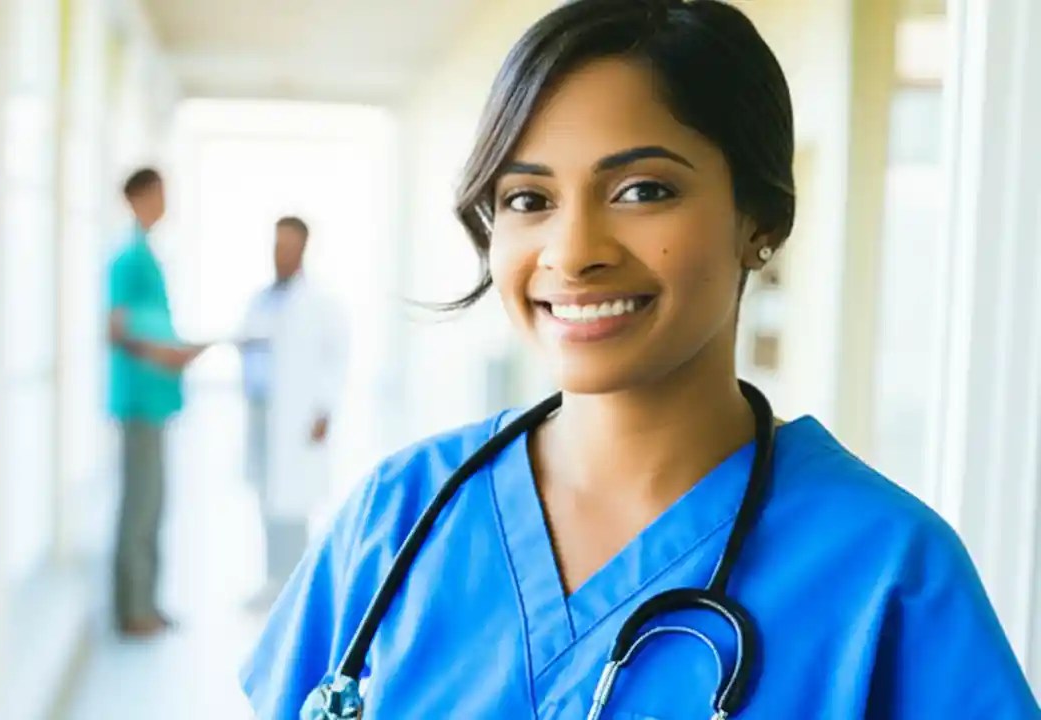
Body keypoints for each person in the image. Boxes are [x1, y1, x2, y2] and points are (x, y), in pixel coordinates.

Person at [239, 1, 1040, 718]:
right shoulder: (399, 516)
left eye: (643, 190)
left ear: (759, 216)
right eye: (529, 199)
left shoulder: (886, 574)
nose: (574, 251)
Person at [107, 167, 209, 638]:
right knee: (140, 504)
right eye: (160, 195)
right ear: (139, 197)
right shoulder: (128, 258)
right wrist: (164, 355)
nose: (165, 203)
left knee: (154, 503)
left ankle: (147, 602)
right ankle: (133, 611)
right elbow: (119, 329)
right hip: (138, 399)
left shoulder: (145, 254)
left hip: (155, 397)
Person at [240, 216, 350, 608]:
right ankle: (274, 579)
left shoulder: (320, 303)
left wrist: (324, 410)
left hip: (297, 417)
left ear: (302, 249)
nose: (280, 254)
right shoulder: (263, 298)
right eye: (276, 246)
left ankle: (295, 585)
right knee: (268, 498)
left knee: (292, 502)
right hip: (262, 412)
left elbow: (335, 360)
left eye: (287, 247)